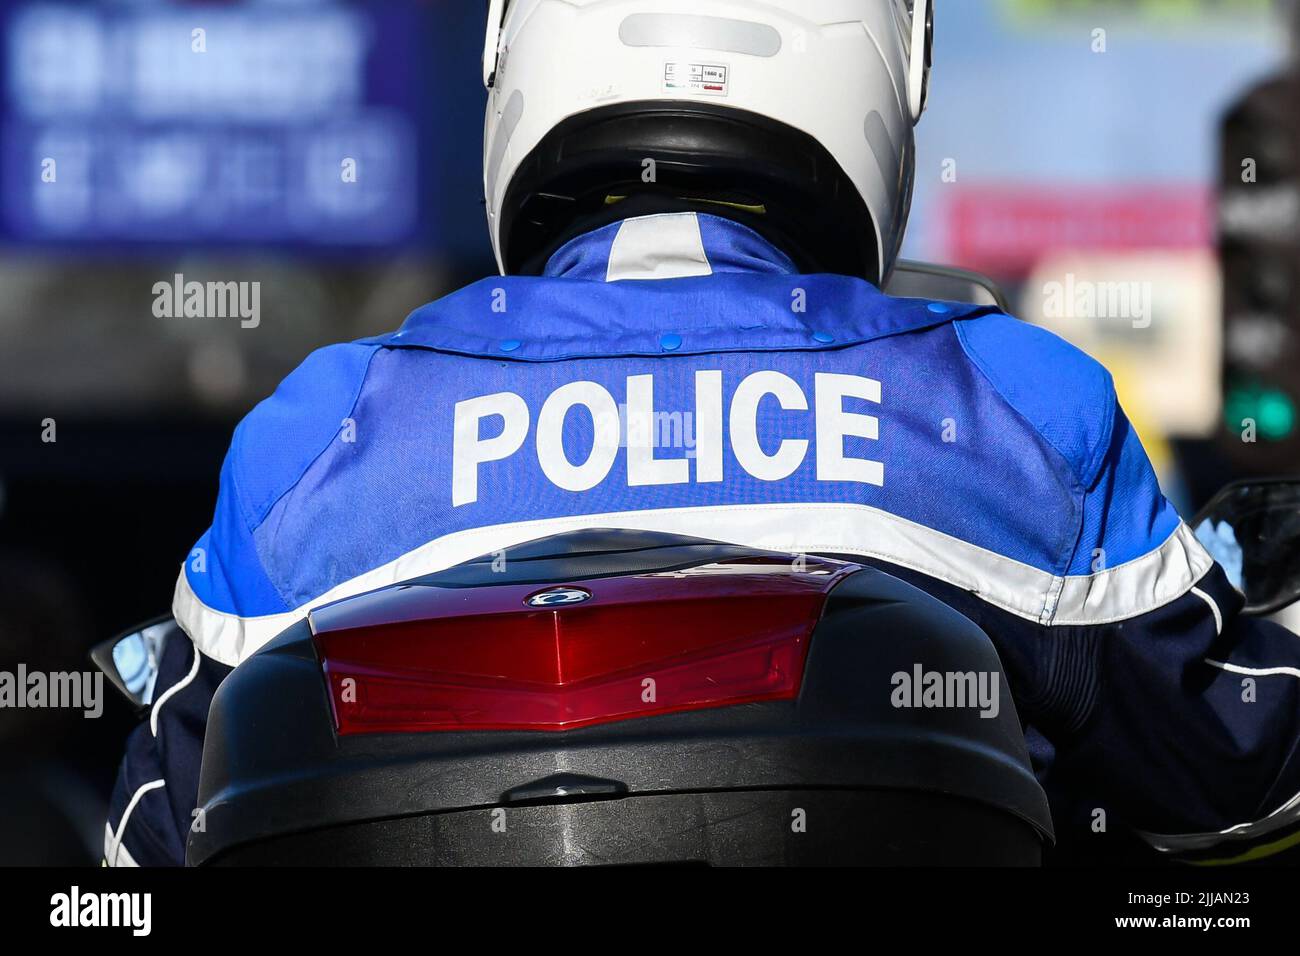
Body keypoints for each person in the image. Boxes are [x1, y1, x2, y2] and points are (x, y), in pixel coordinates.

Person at [107, 0, 1300, 866]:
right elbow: (1228, 774)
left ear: (510, 48)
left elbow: (145, 851)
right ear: (894, 59)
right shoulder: (1007, 405)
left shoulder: (315, 435)